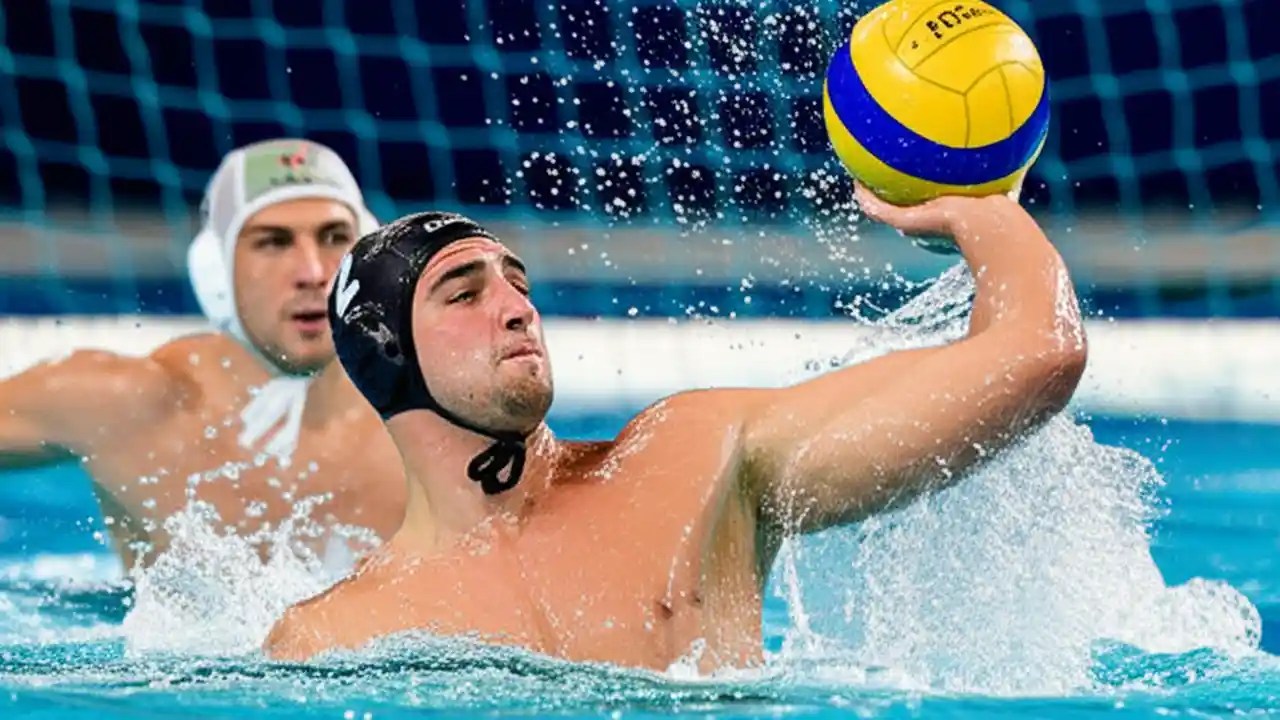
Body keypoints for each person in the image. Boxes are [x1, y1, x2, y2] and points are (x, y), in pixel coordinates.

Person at [263, 184, 1088, 671]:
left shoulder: (698, 454)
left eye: (517, 284)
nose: (517, 308)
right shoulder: (331, 635)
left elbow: (1036, 354)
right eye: (464, 292)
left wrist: (984, 213)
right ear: (387, 350)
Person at [0, 139, 407, 572]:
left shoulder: (429, 414)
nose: (312, 273)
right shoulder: (124, 404)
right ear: (216, 268)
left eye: (334, 237)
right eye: (273, 242)